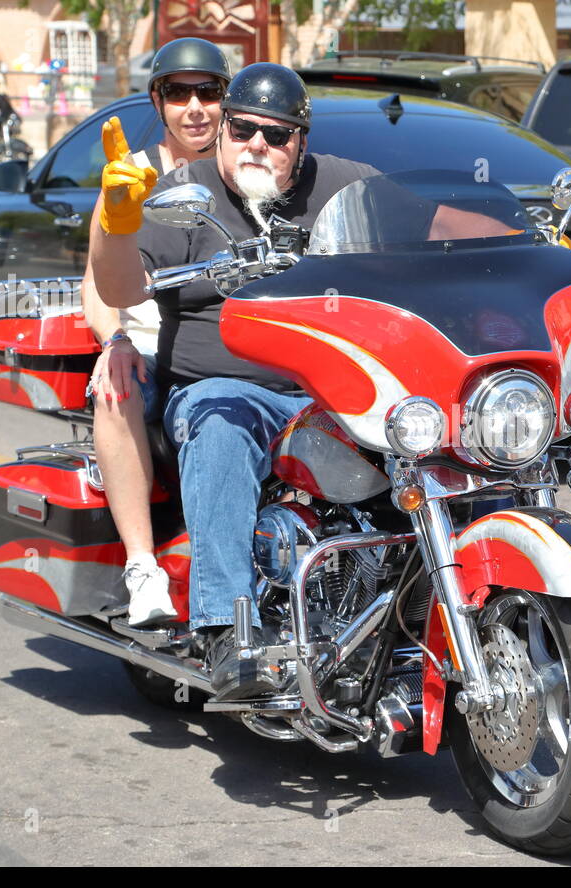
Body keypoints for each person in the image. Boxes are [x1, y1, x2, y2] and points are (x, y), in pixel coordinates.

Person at [89, 63, 378, 700]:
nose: (257, 145)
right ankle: (228, 630)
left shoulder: (345, 186)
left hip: (334, 390)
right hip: (223, 387)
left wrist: (520, 235)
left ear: (300, 142)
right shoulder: (177, 196)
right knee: (220, 419)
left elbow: (431, 227)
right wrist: (117, 219)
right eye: (243, 128)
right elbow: (118, 289)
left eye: (276, 136)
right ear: (222, 129)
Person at [81, 37, 230, 627]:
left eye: (209, 92)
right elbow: (95, 281)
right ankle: (144, 569)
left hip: (235, 338)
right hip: (148, 342)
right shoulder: (130, 176)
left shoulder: (246, 164)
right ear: (158, 100)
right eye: (178, 93)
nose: (195, 107)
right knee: (116, 388)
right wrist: (112, 341)